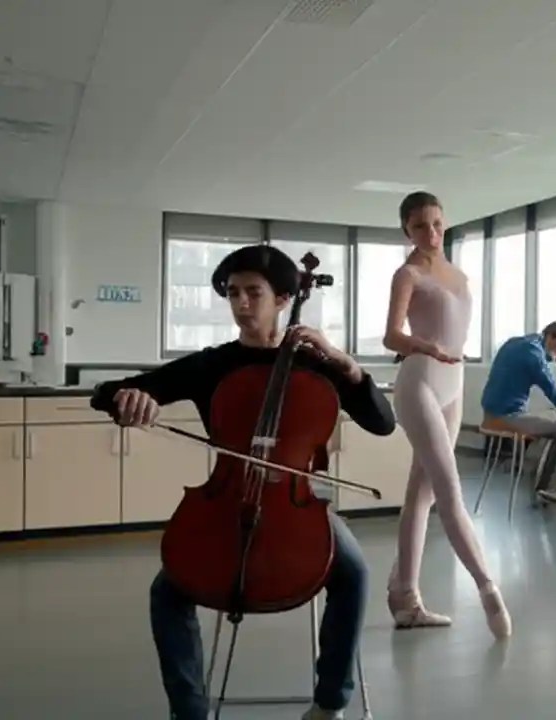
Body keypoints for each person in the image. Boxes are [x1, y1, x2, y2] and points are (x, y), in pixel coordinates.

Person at [88, 244, 396, 720]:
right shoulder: (213, 365)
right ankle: (189, 712)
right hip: (227, 503)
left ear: (285, 298)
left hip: (299, 503)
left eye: (254, 292)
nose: (241, 303)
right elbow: (107, 394)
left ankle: (330, 702)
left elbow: (383, 422)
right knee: (166, 591)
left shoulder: (317, 366)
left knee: (353, 574)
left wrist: (347, 365)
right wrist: (129, 397)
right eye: (233, 293)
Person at [382, 191, 511, 638]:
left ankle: (405, 597)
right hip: (419, 380)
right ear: (407, 231)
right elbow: (391, 336)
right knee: (449, 486)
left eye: (437, 224)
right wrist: (425, 346)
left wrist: (445, 354)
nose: (431, 233)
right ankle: (488, 588)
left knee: (423, 494)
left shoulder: (458, 275)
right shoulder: (409, 273)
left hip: (453, 384)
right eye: (420, 226)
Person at [480, 321, 556, 492]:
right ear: (554, 339)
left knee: (547, 418)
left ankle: (531, 469)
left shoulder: (516, 342)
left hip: (489, 413)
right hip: (506, 418)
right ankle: (548, 487)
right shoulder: (534, 354)